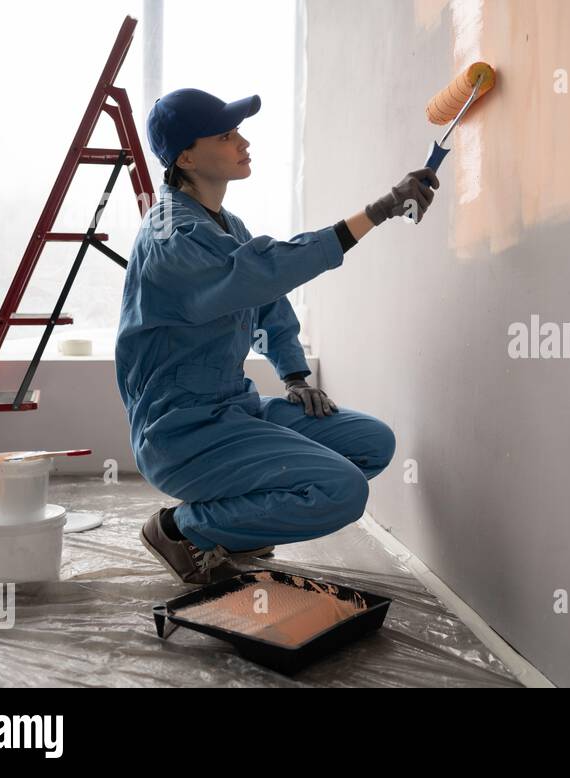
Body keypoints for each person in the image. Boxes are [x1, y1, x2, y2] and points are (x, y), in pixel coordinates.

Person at [115, 87, 438, 584]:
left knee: (372, 443)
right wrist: (379, 210)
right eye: (226, 135)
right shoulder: (170, 234)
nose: (243, 142)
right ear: (185, 155)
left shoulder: (226, 224)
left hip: (233, 410)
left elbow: (267, 305)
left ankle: (236, 530)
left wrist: (294, 376)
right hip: (181, 434)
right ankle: (181, 529)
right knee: (343, 491)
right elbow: (257, 274)